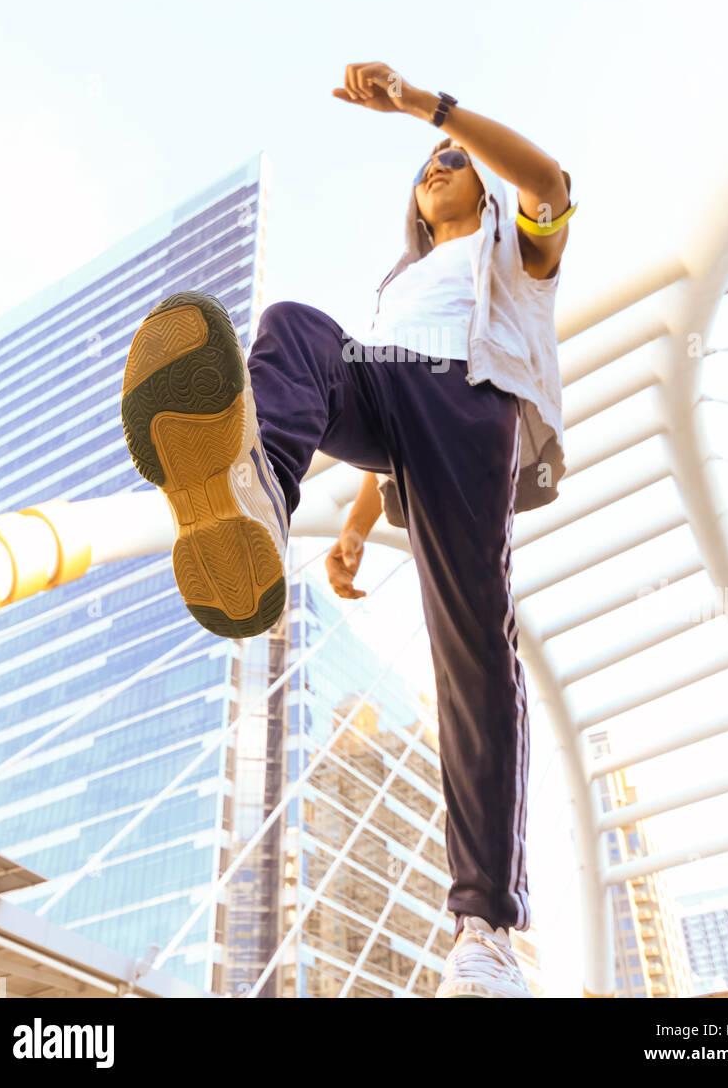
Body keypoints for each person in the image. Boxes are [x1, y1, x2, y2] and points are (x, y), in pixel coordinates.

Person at [120, 61, 575, 998]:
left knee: (473, 650)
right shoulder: (398, 282)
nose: (441, 162)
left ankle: (487, 928)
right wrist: (359, 521)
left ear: (482, 184)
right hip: (389, 383)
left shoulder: (514, 257)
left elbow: (550, 185)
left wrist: (426, 107)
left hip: (470, 408)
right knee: (295, 330)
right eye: (430, 160)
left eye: (455, 157)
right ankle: (261, 496)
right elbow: (385, 427)